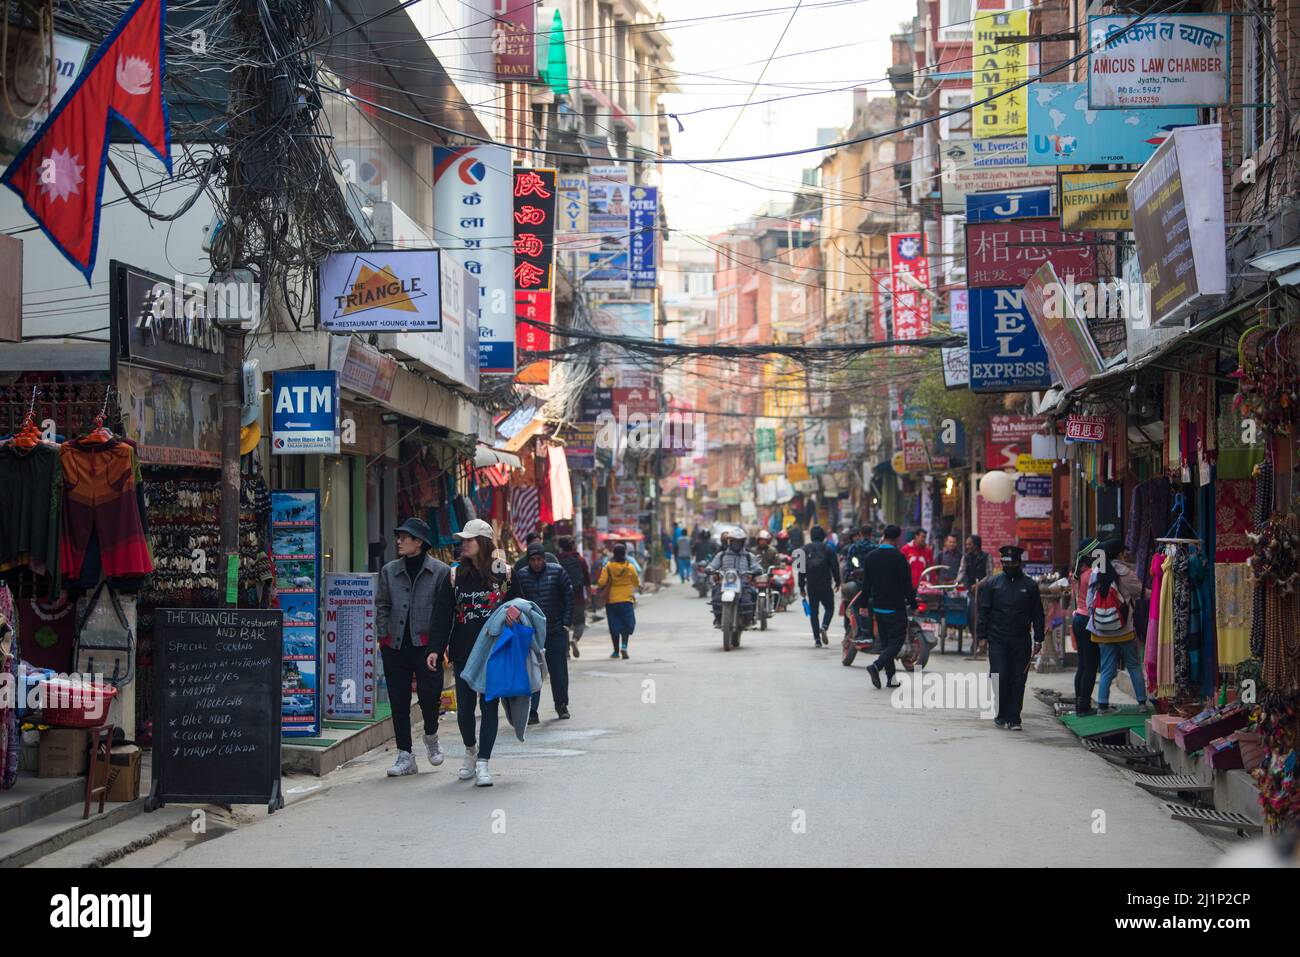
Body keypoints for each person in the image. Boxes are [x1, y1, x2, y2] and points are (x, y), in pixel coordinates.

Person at [427, 518, 507, 787]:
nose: (463, 545)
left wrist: (516, 610)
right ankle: (470, 751)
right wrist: (435, 649)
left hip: (494, 653)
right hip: (462, 653)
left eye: (469, 540)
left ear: (483, 543)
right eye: (462, 540)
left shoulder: (503, 573)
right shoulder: (454, 575)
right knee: (464, 711)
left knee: (489, 707)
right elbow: (441, 615)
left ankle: (484, 762)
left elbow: (523, 604)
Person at [376, 518, 453, 777]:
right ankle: (405, 754)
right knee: (398, 701)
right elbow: (382, 604)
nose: (399, 541)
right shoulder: (389, 570)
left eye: (404, 537)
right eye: (398, 536)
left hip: (426, 646)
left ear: (418, 542)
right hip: (395, 645)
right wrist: (383, 634)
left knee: (430, 696)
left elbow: (444, 613)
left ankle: (431, 736)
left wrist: (439, 645)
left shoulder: (440, 572)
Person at [978, 545, 1045, 730]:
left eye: (1012, 562)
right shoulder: (993, 584)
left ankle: (1014, 717)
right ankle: (1001, 712)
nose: (1009, 565)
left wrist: (1038, 638)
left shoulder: (1030, 585)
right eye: (1005, 562)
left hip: (1021, 640)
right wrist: (982, 636)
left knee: (1018, 678)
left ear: (1019, 563)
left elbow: (1038, 614)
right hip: (997, 638)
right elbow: (984, 611)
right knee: (1000, 675)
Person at [510, 542, 574, 722]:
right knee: (533, 672)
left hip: (555, 631)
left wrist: (565, 623)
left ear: (544, 559)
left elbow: (569, 597)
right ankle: (532, 711)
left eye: (539, 559)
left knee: (559, 671)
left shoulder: (557, 572)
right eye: (533, 560)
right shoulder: (521, 576)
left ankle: (561, 706)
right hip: (532, 634)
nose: (536, 563)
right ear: (528, 561)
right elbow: (516, 602)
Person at [1086, 539, 1148, 713]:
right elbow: (1141, 592)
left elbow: (1090, 602)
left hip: (1100, 629)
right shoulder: (1126, 573)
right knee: (1133, 665)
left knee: (1106, 668)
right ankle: (1142, 704)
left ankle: (1102, 706)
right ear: (1119, 554)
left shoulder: (1096, 571)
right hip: (1124, 629)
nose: (1125, 554)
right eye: (1123, 552)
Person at [860, 524, 916, 688]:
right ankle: (876, 666)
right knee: (896, 643)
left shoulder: (871, 557)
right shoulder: (899, 558)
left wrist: (863, 605)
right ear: (898, 538)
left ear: (883, 535)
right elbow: (906, 585)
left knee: (886, 644)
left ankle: (891, 679)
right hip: (895, 608)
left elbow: (866, 585)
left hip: (878, 608)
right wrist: (913, 603)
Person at [797, 525, 841, 648]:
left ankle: (817, 640)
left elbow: (801, 570)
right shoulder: (828, 549)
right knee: (830, 607)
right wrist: (838, 582)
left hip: (811, 585)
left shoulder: (804, 550)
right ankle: (824, 626)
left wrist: (801, 587)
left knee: (814, 612)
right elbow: (835, 567)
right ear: (823, 536)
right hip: (825, 584)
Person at [1071, 540, 1101, 716]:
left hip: (1078, 619)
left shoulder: (1077, 573)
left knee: (1082, 665)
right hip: (1088, 621)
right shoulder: (1092, 573)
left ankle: (1079, 703)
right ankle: (1084, 706)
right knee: (1090, 666)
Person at [709, 530, 762, 629]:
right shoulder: (722, 555)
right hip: (725, 583)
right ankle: (718, 618)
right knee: (716, 595)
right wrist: (710, 569)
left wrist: (756, 571)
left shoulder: (748, 556)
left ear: (743, 542)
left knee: (752, 595)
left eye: (739, 541)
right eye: (734, 541)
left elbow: (757, 567)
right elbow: (713, 565)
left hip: (743, 584)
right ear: (730, 542)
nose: (736, 544)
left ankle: (750, 619)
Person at [597, 543, 640, 658]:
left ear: (614, 554)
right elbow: (636, 581)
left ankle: (616, 651)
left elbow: (601, 582)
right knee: (626, 624)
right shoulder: (630, 567)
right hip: (627, 599)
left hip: (612, 600)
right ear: (625, 553)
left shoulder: (608, 567)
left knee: (614, 625)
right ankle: (624, 646)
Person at [556, 536, 591, 658]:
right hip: (578, 597)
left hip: (562, 598)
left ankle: (566, 653)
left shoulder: (557, 560)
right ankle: (575, 639)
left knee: (564, 625)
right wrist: (589, 596)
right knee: (580, 622)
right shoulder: (580, 560)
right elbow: (587, 579)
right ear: (572, 545)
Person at [956, 535, 990, 656]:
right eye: (966, 544)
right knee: (971, 616)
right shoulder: (965, 557)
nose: (967, 546)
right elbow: (962, 571)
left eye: (969, 544)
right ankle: (975, 639)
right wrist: (957, 583)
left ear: (976, 544)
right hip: (971, 591)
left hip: (985, 591)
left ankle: (983, 641)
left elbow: (989, 574)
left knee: (983, 617)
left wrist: (980, 584)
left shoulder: (986, 557)